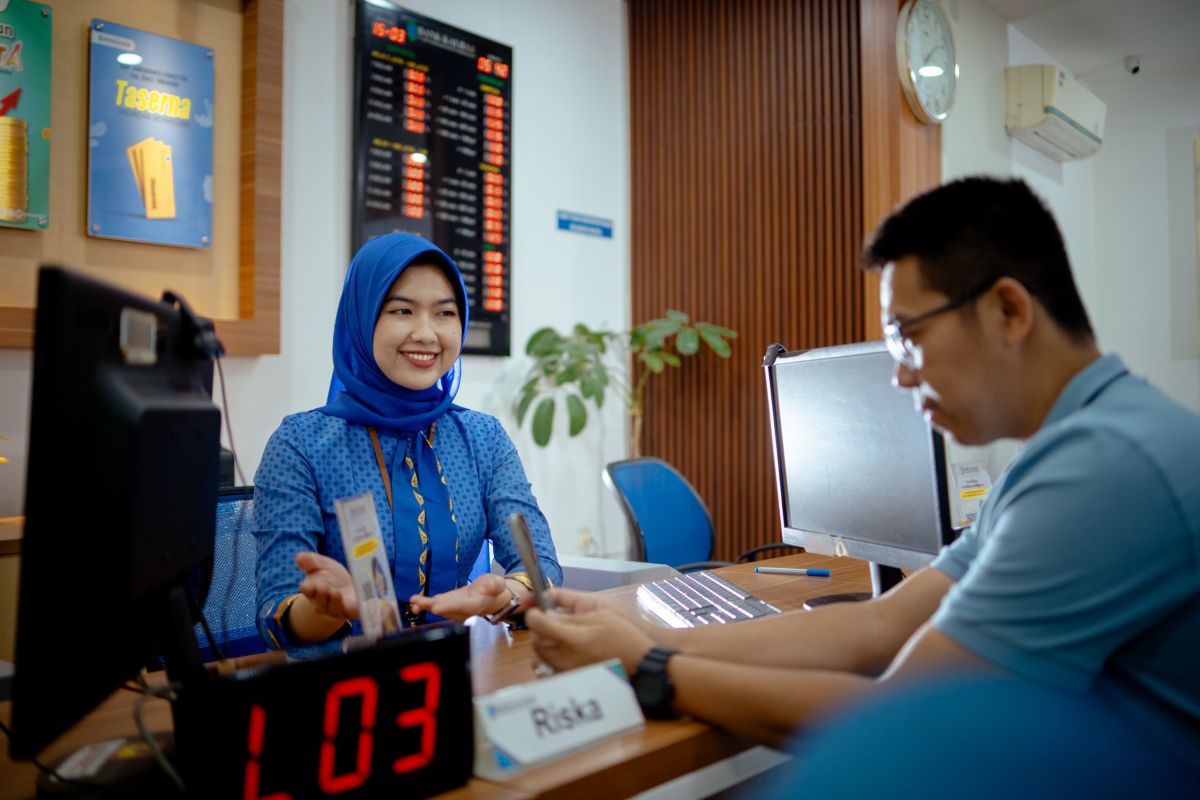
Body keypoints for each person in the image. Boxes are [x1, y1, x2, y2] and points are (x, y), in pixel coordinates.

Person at [525, 177, 1200, 770]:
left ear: (1009, 310)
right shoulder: (1071, 450)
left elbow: (906, 718)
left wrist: (647, 669)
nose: (900, 373)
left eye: (908, 336)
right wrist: (646, 637)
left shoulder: (1106, 469)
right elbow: (878, 627)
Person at [255, 233, 561, 649]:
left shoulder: (482, 438)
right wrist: (326, 611)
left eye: (444, 313)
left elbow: (539, 563)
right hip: (340, 689)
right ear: (362, 319)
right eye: (402, 310)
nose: (426, 333)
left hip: (456, 672)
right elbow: (275, 616)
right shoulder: (301, 444)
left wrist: (506, 595)